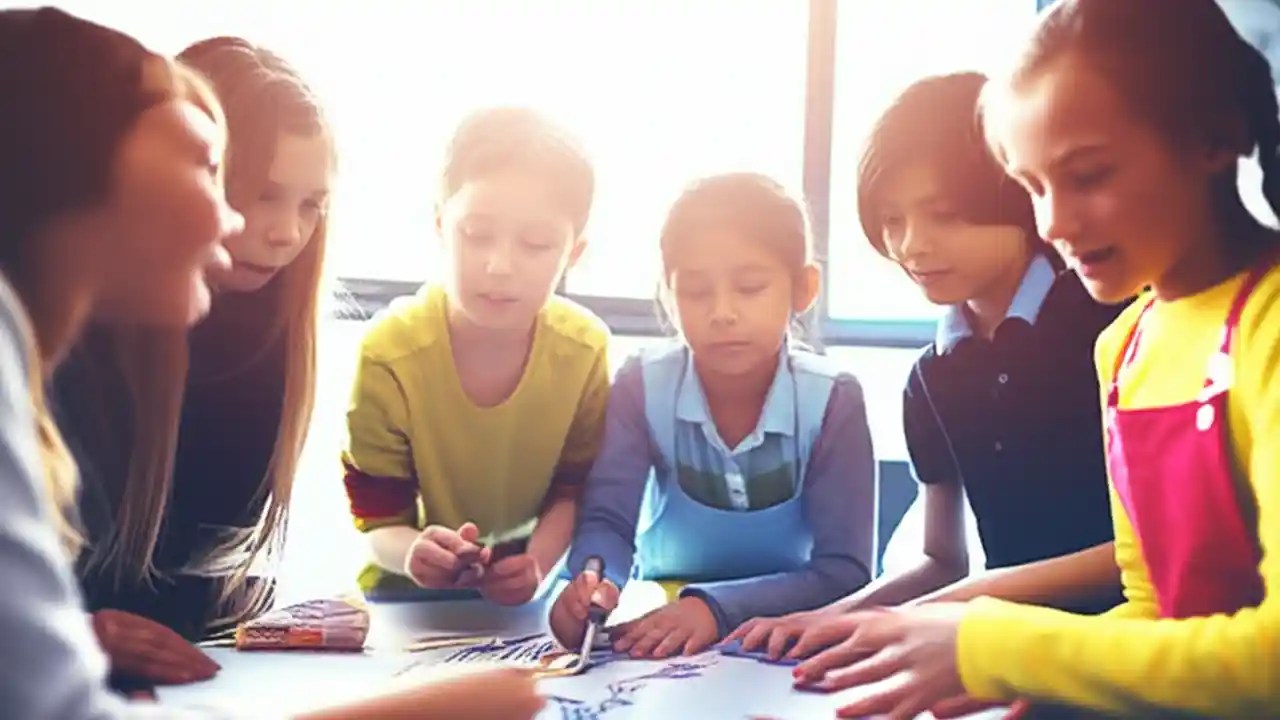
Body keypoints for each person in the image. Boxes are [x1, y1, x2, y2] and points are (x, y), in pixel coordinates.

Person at [0, 7, 543, 719]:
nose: (258, 228)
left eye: (313, 205)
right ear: (87, 177)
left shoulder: (266, 336)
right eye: (209, 170)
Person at [790, 1, 1280, 717]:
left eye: (1088, 175)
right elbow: (1153, 607)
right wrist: (1027, 679)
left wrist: (994, 645)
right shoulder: (1126, 345)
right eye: (1033, 187)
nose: (1050, 222)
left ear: (1215, 135)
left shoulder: (1266, 325)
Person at [728, 72, 1123, 663]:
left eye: (943, 214)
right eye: (892, 221)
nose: (911, 245)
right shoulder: (931, 378)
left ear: (1018, 193)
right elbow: (941, 559)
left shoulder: (1110, 325)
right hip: (1001, 652)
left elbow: (1141, 553)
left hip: (1126, 648)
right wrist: (831, 618)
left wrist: (932, 614)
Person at [52, 37, 333, 687]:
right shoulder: (61, 336)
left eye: (310, 204)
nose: (288, 232)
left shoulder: (272, 329)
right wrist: (70, 631)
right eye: (259, 194)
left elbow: (200, 572)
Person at [550, 172, 877, 659]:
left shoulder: (832, 400)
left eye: (750, 287)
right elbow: (608, 522)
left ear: (804, 288)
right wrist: (590, 586)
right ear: (666, 295)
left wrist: (713, 608)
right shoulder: (642, 384)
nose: (722, 312)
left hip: (783, 627)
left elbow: (845, 573)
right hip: (662, 620)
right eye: (696, 292)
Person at [344, 107, 611, 605]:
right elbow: (378, 521)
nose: (500, 266)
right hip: (404, 599)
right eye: (476, 235)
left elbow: (575, 492)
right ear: (440, 226)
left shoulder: (584, 350)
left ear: (573, 253)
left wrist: (537, 563)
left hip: (526, 600)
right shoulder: (389, 352)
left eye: (536, 244)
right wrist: (413, 553)